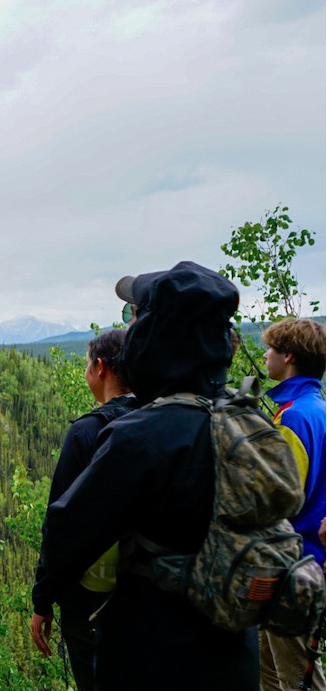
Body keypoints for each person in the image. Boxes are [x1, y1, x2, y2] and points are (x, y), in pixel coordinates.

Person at [31, 261, 257, 690]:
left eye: (135, 315)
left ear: (156, 335)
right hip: (236, 650)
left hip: (154, 651)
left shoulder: (139, 437)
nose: (131, 326)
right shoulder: (248, 420)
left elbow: (68, 530)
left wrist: (44, 597)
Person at [30, 328, 139, 689]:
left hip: (90, 602)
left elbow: (61, 525)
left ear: (101, 367)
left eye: (88, 364)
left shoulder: (87, 433)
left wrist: (42, 599)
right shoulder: (156, 421)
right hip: (148, 594)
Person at [258, 317, 326, 691]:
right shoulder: (317, 408)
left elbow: (277, 501)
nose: (265, 354)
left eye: (271, 348)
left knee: (297, 680)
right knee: (270, 671)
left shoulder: (293, 417)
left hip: (293, 570)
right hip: (310, 563)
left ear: (288, 356)